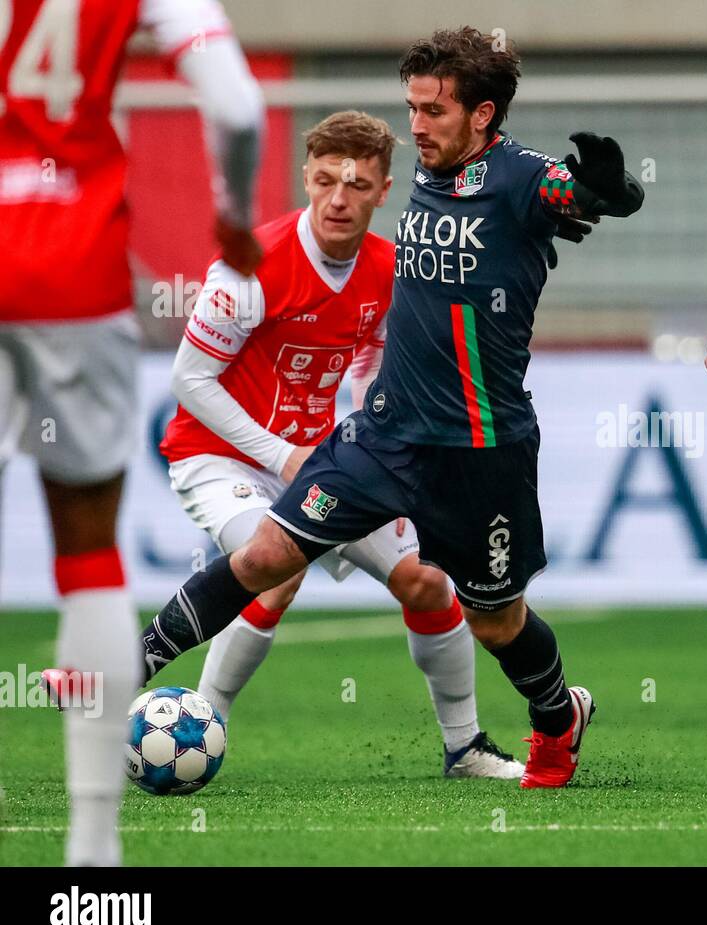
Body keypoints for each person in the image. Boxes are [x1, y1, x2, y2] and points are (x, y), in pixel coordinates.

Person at [131, 26, 644, 789]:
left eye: (433, 110)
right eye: (412, 107)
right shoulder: (428, 173)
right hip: (383, 435)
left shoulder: (521, 177)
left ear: (483, 114)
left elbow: (589, 196)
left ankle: (556, 719)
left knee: (494, 619)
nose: (417, 125)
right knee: (267, 557)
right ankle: (120, 669)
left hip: (481, 446)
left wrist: (614, 187)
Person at [161, 110, 522, 778]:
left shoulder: (393, 269)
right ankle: (200, 732)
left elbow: (375, 367)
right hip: (218, 458)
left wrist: (379, 452)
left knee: (429, 580)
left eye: (356, 185)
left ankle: (465, 748)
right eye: (325, 180)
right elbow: (189, 379)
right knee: (276, 566)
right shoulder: (251, 268)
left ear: (385, 189)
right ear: (306, 177)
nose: (338, 198)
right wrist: (280, 454)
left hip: (320, 458)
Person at [2, 0, 264, 866]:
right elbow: (235, 108)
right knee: (88, 556)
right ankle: (93, 850)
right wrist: (231, 217)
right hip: (73, 269)